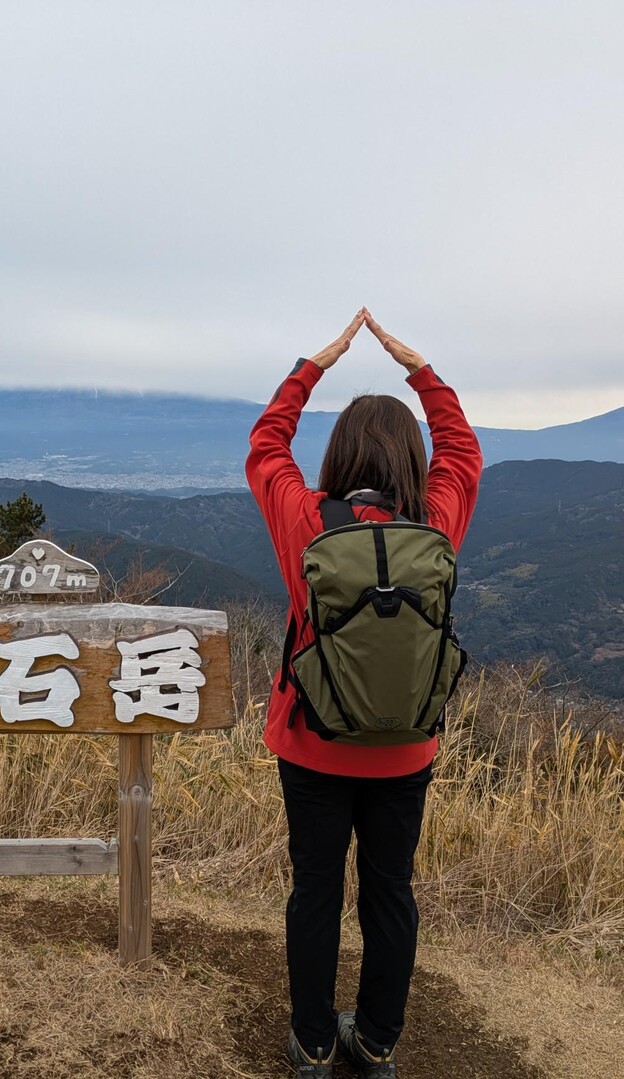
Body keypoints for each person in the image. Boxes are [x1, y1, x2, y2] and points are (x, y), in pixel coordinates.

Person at [246, 308, 482, 1077]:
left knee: (315, 888)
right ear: (411, 459)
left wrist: (311, 366)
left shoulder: (310, 523)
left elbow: (264, 446)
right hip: (405, 747)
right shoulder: (435, 524)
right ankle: (375, 1040)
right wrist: (423, 371)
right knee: (390, 891)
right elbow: (464, 452)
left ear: (341, 455)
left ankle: (314, 1040)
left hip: (312, 743)